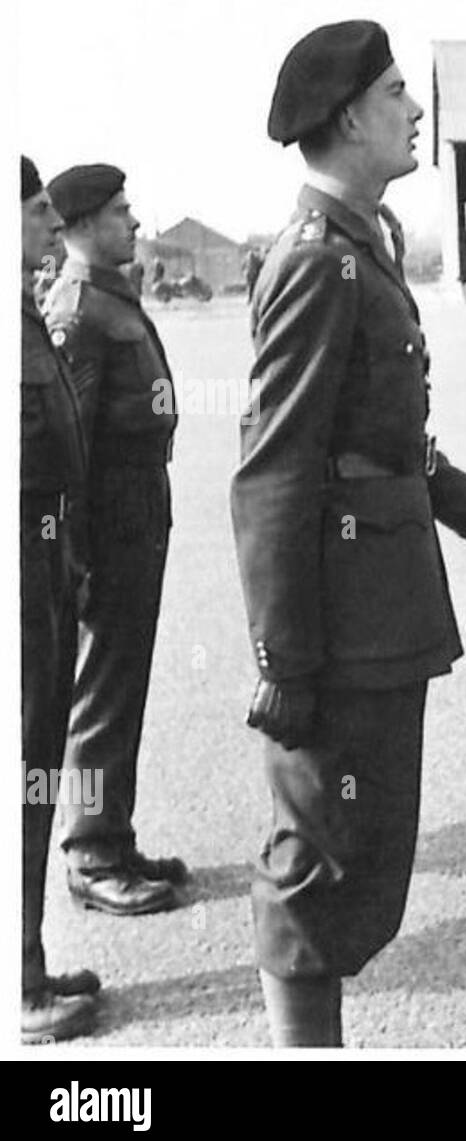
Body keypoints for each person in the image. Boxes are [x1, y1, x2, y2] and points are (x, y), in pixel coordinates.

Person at [233, 20, 466, 1047]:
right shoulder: (319, 263)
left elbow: (398, 447)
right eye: (399, 92)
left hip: (380, 607)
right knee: (314, 861)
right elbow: (274, 474)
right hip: (337, 625)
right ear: (351, 117)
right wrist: (284, 659)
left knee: (365, 860)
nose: (417, 108)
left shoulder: (366, 247)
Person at [44, 164, 187, 916]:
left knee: (122, 685)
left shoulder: (112, 297)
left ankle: (115, 833)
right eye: (122, 212)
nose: (134, 223)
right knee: (98, 693)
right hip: (106, 532)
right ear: (84, 224)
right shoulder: (76, 312)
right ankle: (91, 852)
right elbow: (68, 448)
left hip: (138, 518)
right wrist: (76, 554)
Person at [20, 156, 103, 1044]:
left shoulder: (27, 316)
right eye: (36, 209)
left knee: (38, 767)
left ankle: (28, 959)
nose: (52, 220)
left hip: (43, 574)